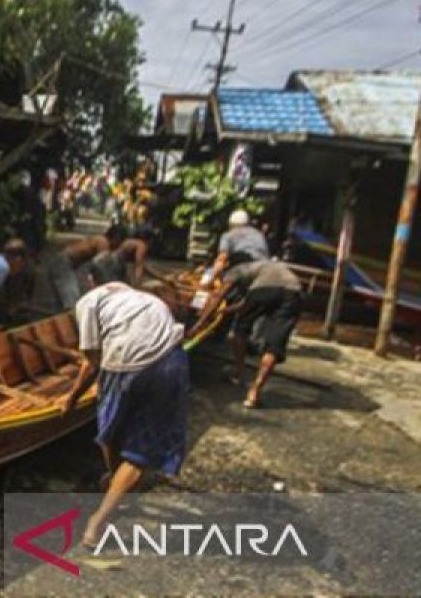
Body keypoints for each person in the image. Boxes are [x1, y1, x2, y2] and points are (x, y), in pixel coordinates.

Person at [57, 283, 188, 547]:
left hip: (123, 366)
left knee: (110, 431)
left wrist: (72, 397)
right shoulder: (148, 300)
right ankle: (113, 496)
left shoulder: (86, 304)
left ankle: (104, 507)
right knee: (141, 450)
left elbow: (92, 361)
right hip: (169, 363)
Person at [192, 258, 301, 409]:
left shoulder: (236, 270)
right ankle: (254, 392)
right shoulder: (263, 267)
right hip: (293, 291)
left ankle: (239, 373)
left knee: (240, 330)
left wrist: (200, 323)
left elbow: (219, 295)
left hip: (265, 289)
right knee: (274, 345)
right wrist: (221, 311)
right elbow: (245, 304)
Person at [209, 209, 269, 278]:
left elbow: (222, 258)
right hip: (266, 267)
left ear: (230, 224)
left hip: (245, 268)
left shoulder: (228, 235)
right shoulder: (258, 234)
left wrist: (212, 275)